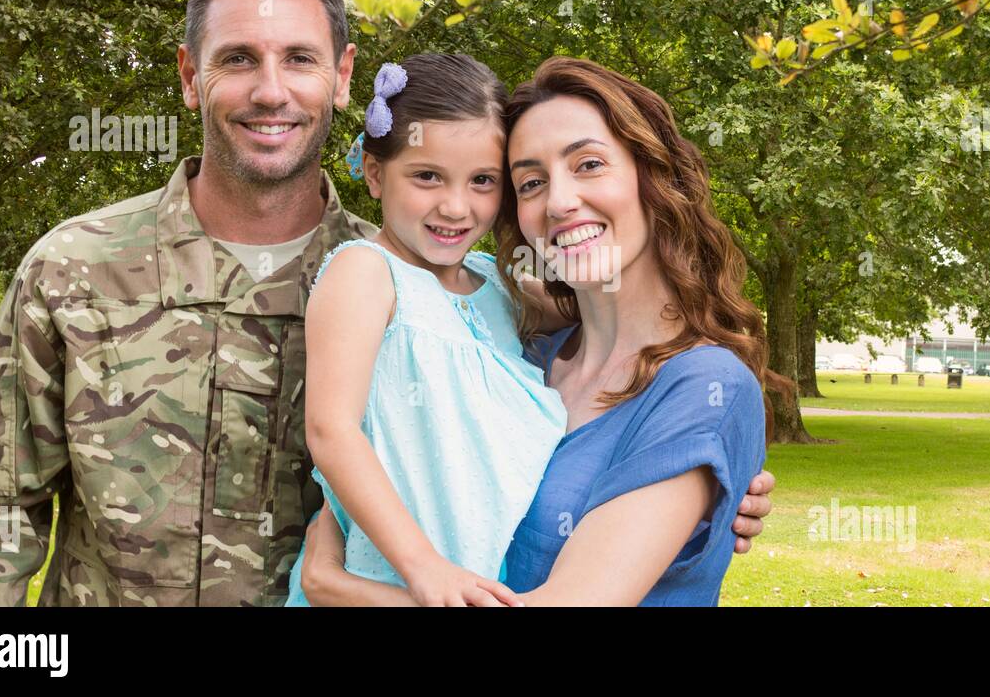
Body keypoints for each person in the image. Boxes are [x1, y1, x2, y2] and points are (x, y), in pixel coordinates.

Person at [0, 0, 774, 607]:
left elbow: (577, 426)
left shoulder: (437, 291)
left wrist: (711, 487)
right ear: (189, 77)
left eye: (298, 58)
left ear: (343, 77)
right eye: (237, 59)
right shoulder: (77, 268)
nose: (270, 90)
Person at [298, 56, 772, 606]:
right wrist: (340, 528)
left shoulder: (701, 386)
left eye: (589, 164)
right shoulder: (526, 355)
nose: (561, 201)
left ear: (653, 175)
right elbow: (381, 431)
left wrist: (339, 588)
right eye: (531, 182)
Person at [285, 53, 567, 607]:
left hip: (479, 579)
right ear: (373, 173)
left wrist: (713, 443)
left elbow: (616, 328)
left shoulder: (497, 285)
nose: (456, 206)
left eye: (482, 180)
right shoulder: (366, 272)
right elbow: (331, 430)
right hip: (389, 580)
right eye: (427, 175)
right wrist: (425, 567)